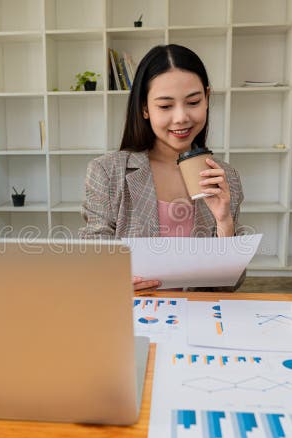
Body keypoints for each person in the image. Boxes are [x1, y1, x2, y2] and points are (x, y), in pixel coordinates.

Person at [79, 44, 245, 292]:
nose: (181, 117)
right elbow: (92, 267)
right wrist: (111, 281)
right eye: (165, 106)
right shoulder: (107, 172)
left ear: (207, 98)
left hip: (200, 318)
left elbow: (229, 286)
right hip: (134, 317)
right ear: (145, 108)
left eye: (193, 102)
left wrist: (224, 222)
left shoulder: (224, 176)